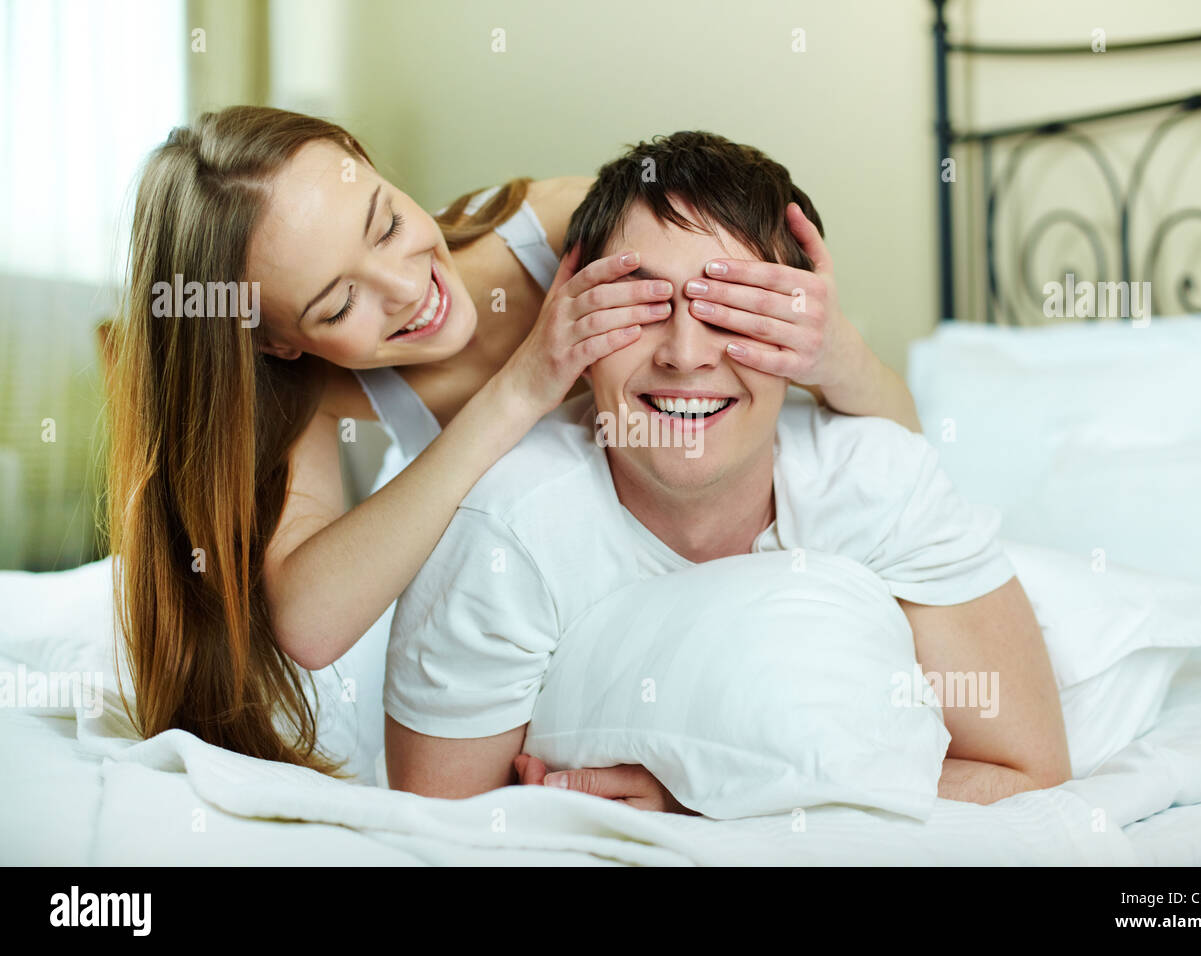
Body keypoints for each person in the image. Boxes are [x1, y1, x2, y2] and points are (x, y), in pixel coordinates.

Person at [105, 108, 923, 772]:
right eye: (335, 304)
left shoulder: (571, 232)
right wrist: (521, 389)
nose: (403, 288)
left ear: (373, 165)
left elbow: (903, 452)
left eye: (386, 222)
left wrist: (838, 353)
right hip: (487, 639)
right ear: (278, 342)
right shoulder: (322, 392)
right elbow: (311, 627)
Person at [384, 131, 1071, 809]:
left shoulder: (880, 482)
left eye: (733, 309)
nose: (686, 354)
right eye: (642, 306)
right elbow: (451, 836)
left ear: (804, 335)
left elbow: (1028, 775)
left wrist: (710, 805)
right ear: (574, 321)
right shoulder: (503, 534)